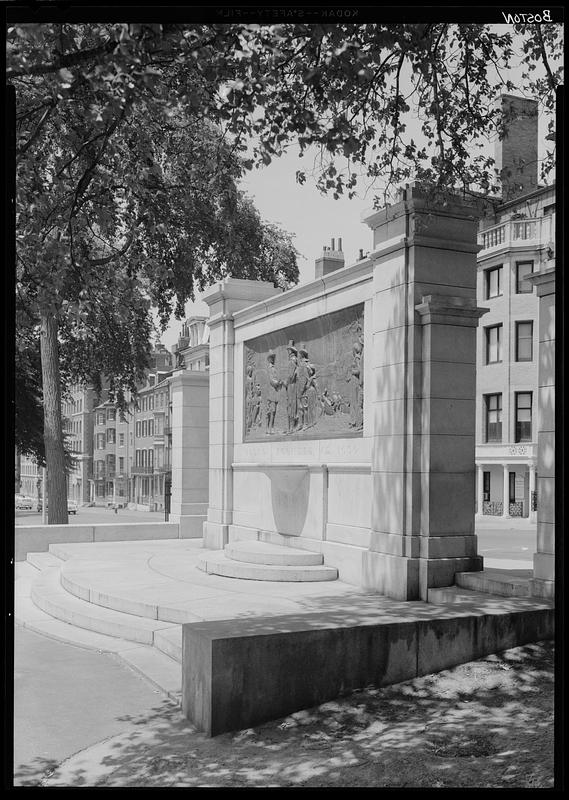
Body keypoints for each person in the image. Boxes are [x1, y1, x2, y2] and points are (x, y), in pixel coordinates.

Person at [265, 350, 282, 434]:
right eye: (271, 357)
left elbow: (275, 379)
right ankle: (269, 428)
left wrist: (279, 383)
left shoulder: (274, 368)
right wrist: (277, 383)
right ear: (269, 359)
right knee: (271, 411)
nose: (273, 359)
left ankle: (271, 427)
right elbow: (271, 380)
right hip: (271, 392)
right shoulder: (270, 368)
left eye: (273, 357)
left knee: (273, 411)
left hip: (275, 391)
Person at [285, 340, 299, 433]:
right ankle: (291, 426)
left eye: (288, 350)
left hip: (291, 386)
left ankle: (291, 427)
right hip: (293, 385)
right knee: (292, 405)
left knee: (291, 405)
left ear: (290, 351)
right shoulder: (295, 361)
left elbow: (290, 376)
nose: (288, 351)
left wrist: (285, 382)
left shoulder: (292, 361)